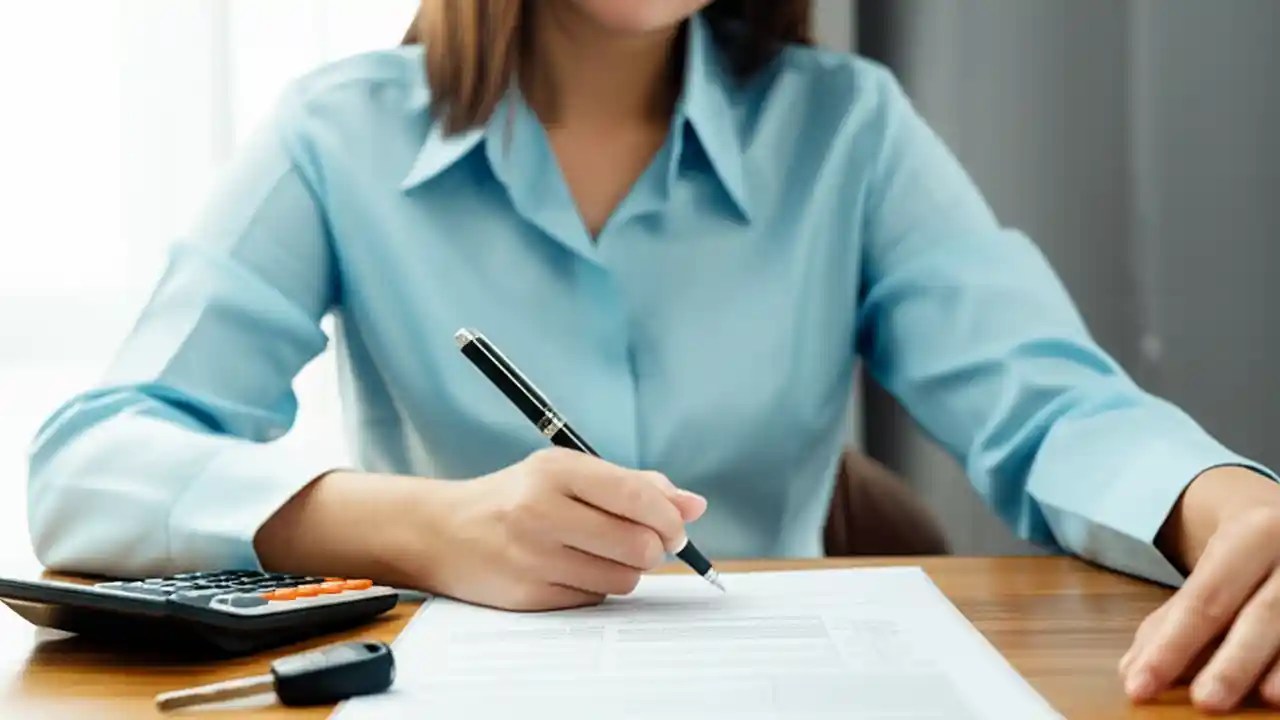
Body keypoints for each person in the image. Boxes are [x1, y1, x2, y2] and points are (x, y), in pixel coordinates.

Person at [23, 0, 1280, 712]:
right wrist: (416, 527)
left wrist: (1232, 509)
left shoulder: (847, 130)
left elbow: (1052, 404)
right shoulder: (333, 134)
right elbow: (89, 468)